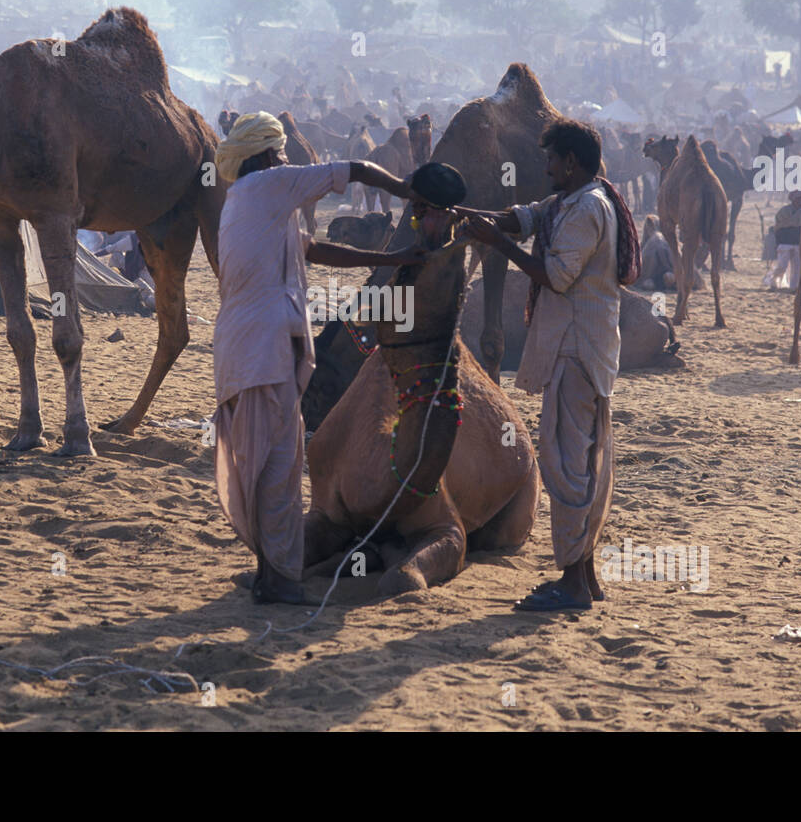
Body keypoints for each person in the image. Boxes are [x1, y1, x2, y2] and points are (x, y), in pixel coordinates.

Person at [211, 111, 426, 604]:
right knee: (280, 467)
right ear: (266, 156)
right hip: (262, 348)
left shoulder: (247, 204)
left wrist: (389, 261)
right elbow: (351, 168)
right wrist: (408, 189)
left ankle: (271, 573)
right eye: (282, 152)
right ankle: (282, 580)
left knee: (264, 464)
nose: (288, 160)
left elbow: (316, 251)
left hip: (245, 349)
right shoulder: (270, 184)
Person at [459, 118, 637, 611]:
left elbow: (557, 277)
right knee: (583, 464)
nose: (546, 167)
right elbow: (526, 215)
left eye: (552, 160)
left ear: (571, 163)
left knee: (566, 466)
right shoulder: (572, 201)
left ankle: (574, 584)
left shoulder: (585, 211)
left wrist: (496, 244)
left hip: (576, 350)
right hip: (583, 348)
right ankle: (584, 575)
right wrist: (468, 214)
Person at [763, 191, 801, 290]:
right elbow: (779, 226)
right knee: (782, 266)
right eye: (799, 199)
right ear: (793, 200)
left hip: (798, 243)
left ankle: (794, 287)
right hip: (784, 242)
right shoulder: (784, 211)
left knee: (797, 268)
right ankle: (774, 281)